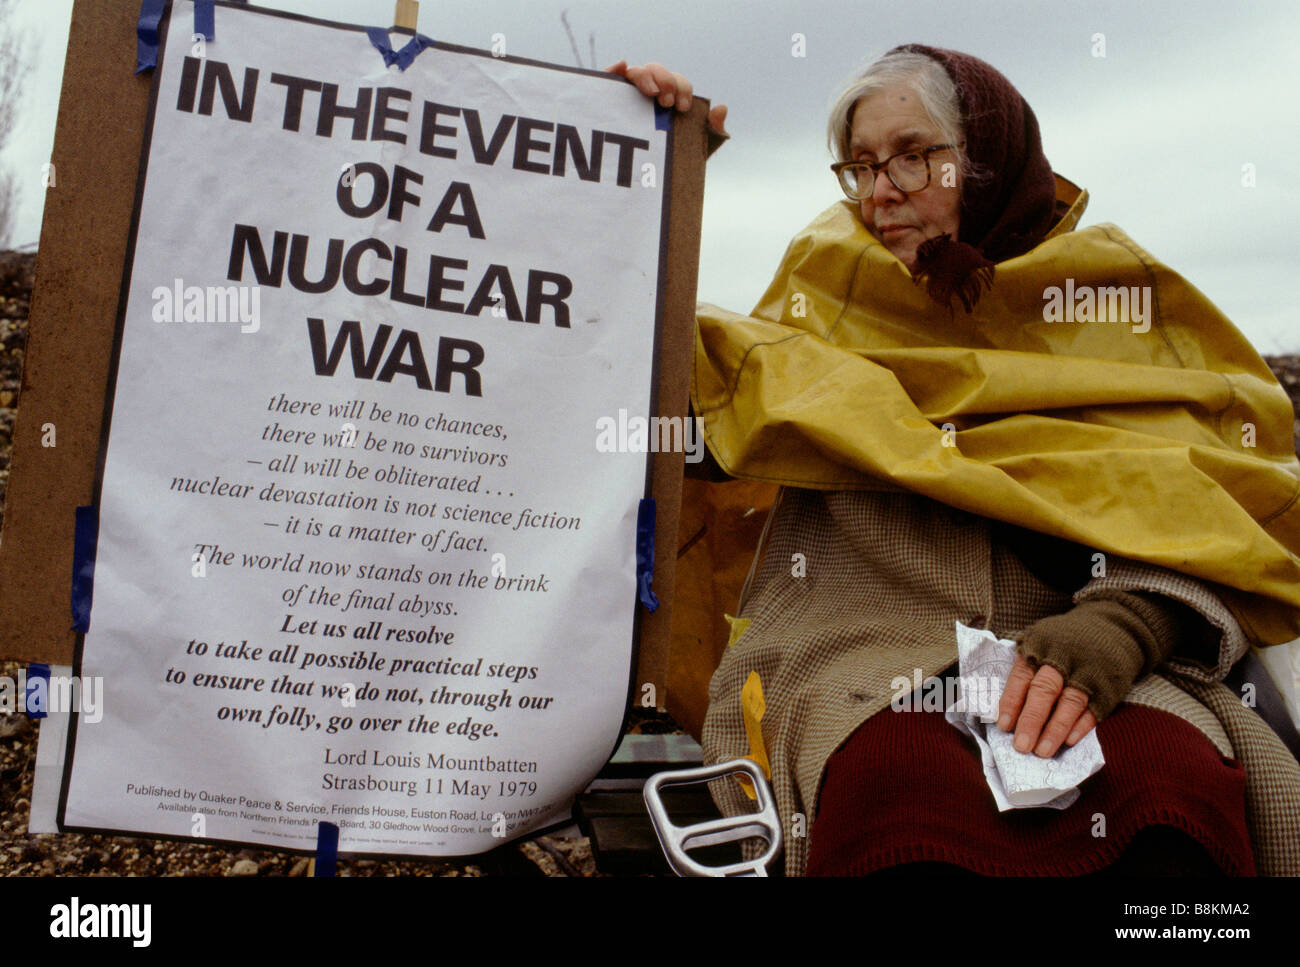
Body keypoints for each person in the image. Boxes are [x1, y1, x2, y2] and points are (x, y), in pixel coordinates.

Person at [609, 47, 1300, 876]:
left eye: (912, 156)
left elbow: (1222, 510)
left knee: (1168, 783)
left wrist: (1127, 625)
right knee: (903, 792)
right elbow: (660, 403)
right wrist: (649, 183)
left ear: (987, 160)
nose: (881, 190)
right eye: (860, 166)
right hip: (861, 655)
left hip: (1093, 651)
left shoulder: (1113, 301)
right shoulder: (821, 298)